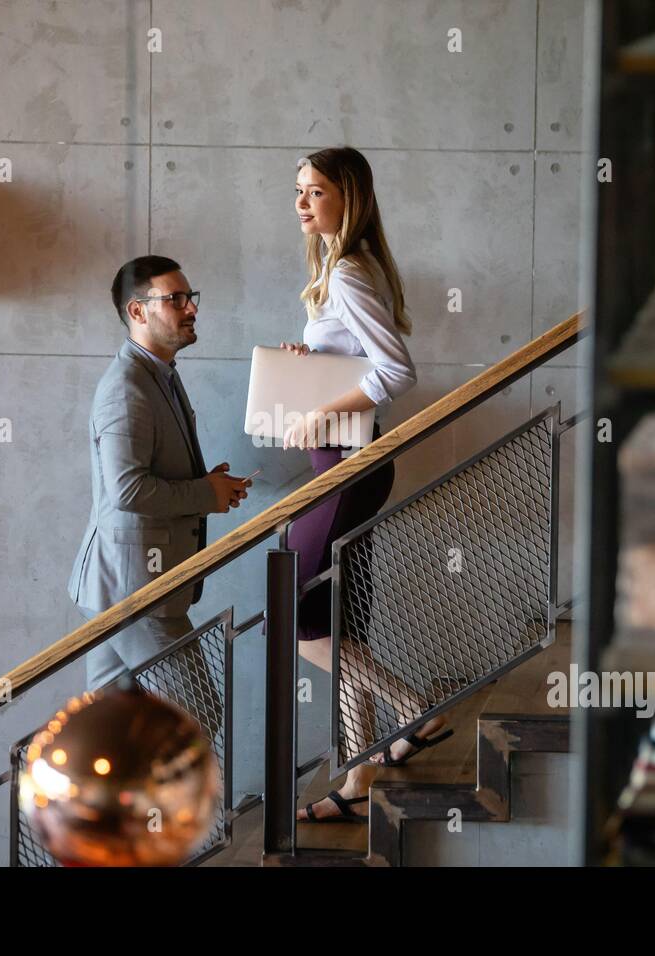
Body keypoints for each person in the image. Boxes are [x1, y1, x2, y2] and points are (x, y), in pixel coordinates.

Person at [281, 147, 452, 824]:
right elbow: (357, 361)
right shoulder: (339, 266)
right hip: (345, 464)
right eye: (297, 191)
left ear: (346, 198)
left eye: (314, 191)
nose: (301, 204)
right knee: (341, 626)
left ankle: (415, 712)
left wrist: (317, 413)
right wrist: (313, 363)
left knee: (300, 616)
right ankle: (358, 773)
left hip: (349, 465)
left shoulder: (348, 269)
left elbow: (395, 371)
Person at [67, 256, 251, 726]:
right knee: (195, 720)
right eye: (175, 299)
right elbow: (126, 489)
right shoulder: (126, 388)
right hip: (134, 587)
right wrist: (205, 494)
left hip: (122, 583)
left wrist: (206, 484)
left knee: (109, 727)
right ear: (138, 311)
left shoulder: (159, 373)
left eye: (191, 298)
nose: (191, 308)